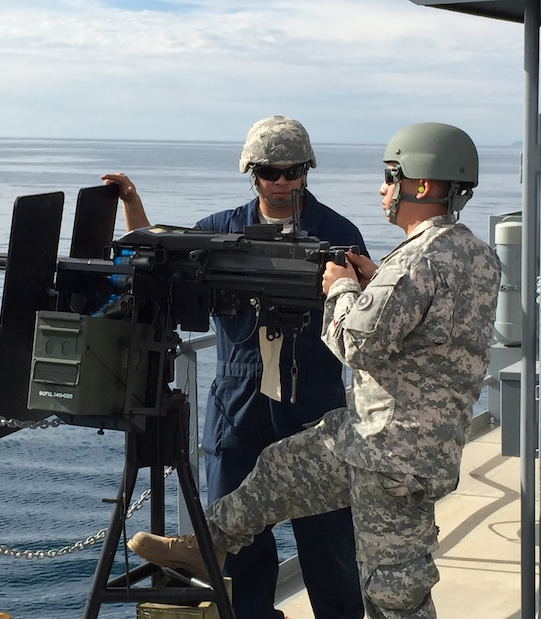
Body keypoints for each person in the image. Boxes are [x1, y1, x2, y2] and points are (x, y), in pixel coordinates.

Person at [125, 121, 501, 619]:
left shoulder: (410, 258)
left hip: (392, 452)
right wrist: (371, 284)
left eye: (391, 178)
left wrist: (343, 289)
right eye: (269, 172)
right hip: (365, 433)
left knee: (391, 593)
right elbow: (416, 321)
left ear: (422, 185)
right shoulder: (474, 252)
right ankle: (209, 543)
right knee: (277, 472)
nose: (382, 190)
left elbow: (355, 341)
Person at [103, 115, 367, 619]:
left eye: (295, 172)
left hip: (311, 397)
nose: (284, 183)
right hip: (238, 402)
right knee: (236, 543)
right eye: (272, 172)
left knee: (329, 539)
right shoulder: (219, 231)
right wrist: (133, 205)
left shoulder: (338, 233)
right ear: (253, 173)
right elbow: (158, 259)